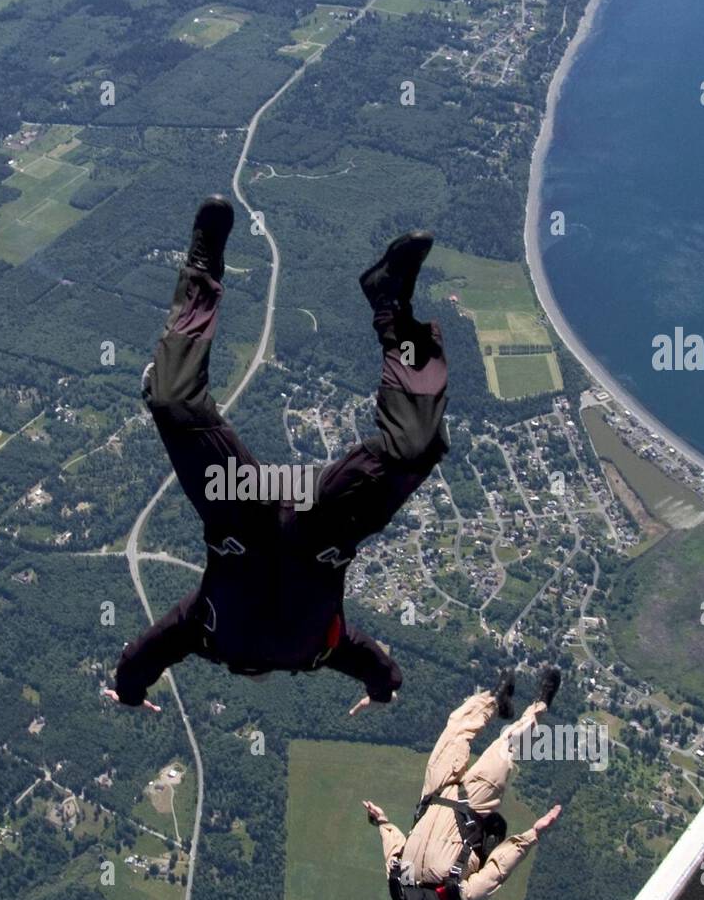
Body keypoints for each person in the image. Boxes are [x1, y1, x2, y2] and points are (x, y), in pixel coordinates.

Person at [105, 195, 449, 714]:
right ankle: (389, 304)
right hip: (305, 517)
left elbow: (144, 657)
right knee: (172, 402)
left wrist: (382, 686)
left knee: (413, 448)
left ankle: (203, 268)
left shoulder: (239, 639)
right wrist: (130, 690)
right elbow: (142, 658)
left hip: (257, 512)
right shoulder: (300, 647)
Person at [363, 667, 563, 900]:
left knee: (455, 728)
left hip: (433, 794)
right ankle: (540, 705)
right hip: (472, 806)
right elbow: (498, 869)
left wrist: (381, 822)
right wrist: (533, 834)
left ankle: (495, 699)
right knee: (507, 747)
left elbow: (395, 855)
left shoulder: (404, 895)